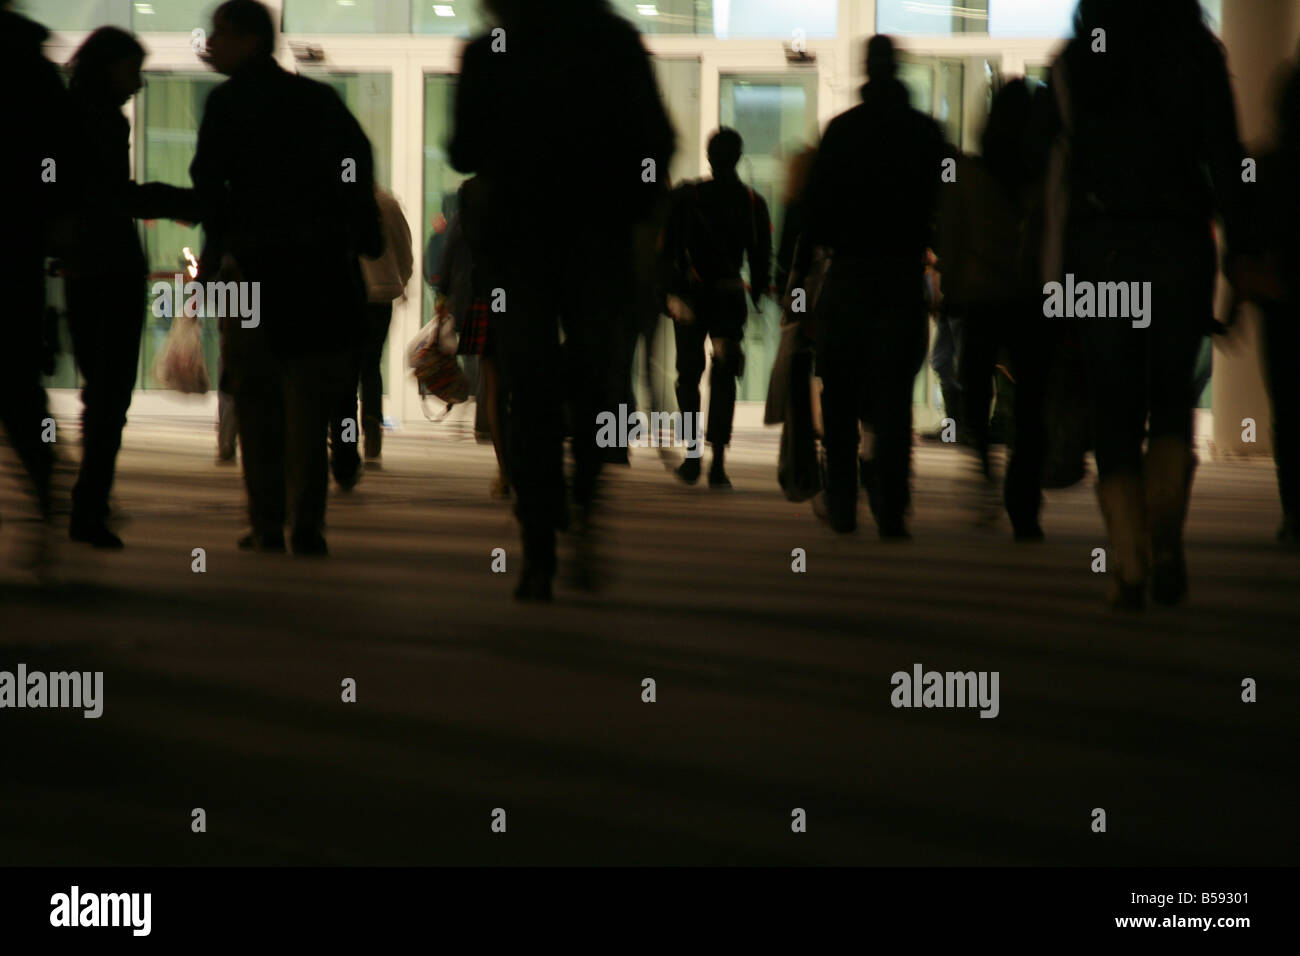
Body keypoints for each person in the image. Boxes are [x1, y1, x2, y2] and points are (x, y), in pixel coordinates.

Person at [449, 0, 675, 600]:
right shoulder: (614, 41)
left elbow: (463, 150)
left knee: (528, 383)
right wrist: (638, 214)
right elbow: (657, 142)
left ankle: (539, 544)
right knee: (598, 376)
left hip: (519, 247)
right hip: (598, 242)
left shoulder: (488, 54)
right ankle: (586, 500)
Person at [1045, 0, 1255, 607]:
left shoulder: (1079, 58)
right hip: (1180, 246)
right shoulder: (1196, 53)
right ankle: (1165, 539)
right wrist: (1243, 251)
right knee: (1169, 397)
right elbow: (1229, 156)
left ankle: (1130, 562)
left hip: (1101, 247)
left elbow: (1056, 169)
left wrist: (1054, 280)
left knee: (1112, 402)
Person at [192, 0, 381, 556]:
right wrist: (358, 235)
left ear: (249, 38)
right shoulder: (318, 102)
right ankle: (308, 524)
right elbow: (356, 166)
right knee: (308, 400)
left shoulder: (227, 105)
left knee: (257, 398)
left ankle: (268, 521)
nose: (211, 44)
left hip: (252, 270)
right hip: (318, 273)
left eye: (220, 34)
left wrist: (214, 256)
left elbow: (210, 188)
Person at [796, 35, 947, 538]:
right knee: (893, 400)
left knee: (839, 398)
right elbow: (944, 206)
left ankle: (842, 502)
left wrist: (800, 279)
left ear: (866, 71)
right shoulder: (925, 134)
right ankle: (891, 507)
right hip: (901, 277)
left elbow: (813, 211)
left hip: (850, 275)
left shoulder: (842, 132)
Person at [63, 27, 197, 549]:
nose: (138, 84)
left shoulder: (67, 113)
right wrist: (185, 203)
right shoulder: (99, 120)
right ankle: (88, 504)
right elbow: (112, 197)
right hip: (110, 269)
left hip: (81, 268)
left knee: (99, 391)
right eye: (132, 71)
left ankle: (88, 499)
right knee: (110, 393)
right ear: (109, 66)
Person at [937, 79, 1053, 539]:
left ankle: (983, 459)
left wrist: (949, 285)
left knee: (976, 385)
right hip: (1031, 299)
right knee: (1031, 402)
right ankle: (1024, 504)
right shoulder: (1044, 173)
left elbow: (950, 234)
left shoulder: (967, 172)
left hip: (981, 297)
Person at [0, 0, 71, 567]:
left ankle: (50, 486)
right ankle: (49, 488)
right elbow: (55, 164)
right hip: (14, 255)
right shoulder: (33, 68)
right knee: (21, 391)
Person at [663, 128, 772, 488]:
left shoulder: (688, 196)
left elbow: (668, 251)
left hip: (692, 297)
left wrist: (667, 294)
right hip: (728, 296)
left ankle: (693, 457)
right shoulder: (753, 203)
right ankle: (719, 463)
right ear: (739, 157)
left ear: (709, 157)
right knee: (724, 376)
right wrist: (757, 295)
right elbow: (760, 261)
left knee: (688, 376)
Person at [1252, 60, 1300, 546]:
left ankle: (1294, 510)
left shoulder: (1265, 167)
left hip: (1281, 301)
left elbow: (1247, 239)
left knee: (1287, 407)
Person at [438, 178, 510, 497]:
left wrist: (443, 294)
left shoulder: (472, 192)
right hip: (527, 297)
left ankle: (505, 470)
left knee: (493, 383)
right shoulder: (536, 182)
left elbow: (455, 243)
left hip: (486, 295)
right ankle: (524, 465)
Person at [348, 183, 413, 467]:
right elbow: (404, 247)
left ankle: (346, 436)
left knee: (349, 366)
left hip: (350, 294)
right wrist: (403, 277)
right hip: (382, 294)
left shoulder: (341, 203)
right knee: (371, 363)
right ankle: (372, 423)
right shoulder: (389, 205)